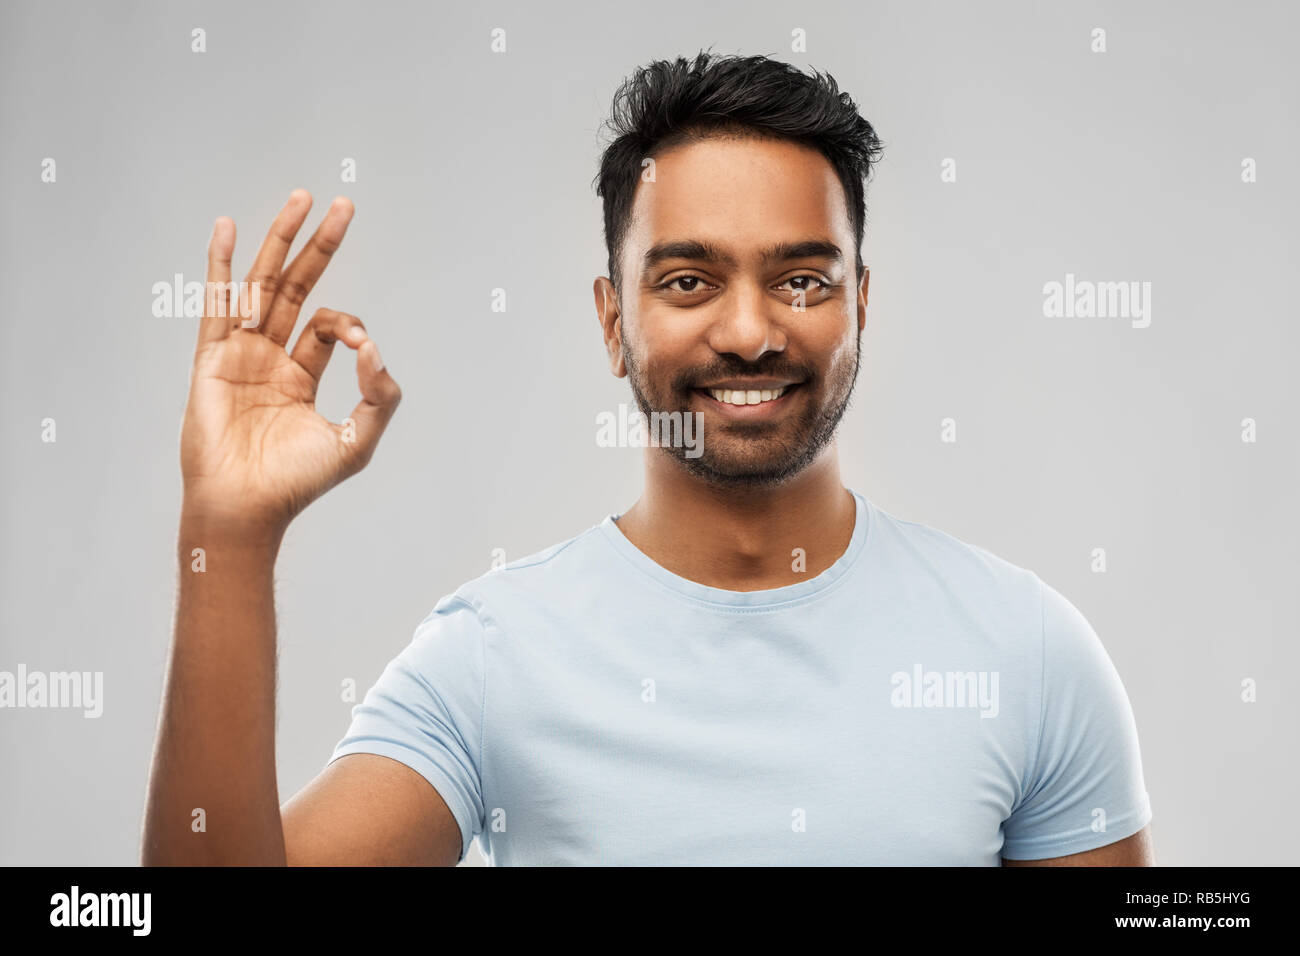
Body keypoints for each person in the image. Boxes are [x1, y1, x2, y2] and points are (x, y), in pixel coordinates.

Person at [143, 52, 1153, 866]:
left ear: (861, 303)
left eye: (802, 278)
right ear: (612, 320)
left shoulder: (1024, 651)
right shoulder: (493, 658)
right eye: (686, 280)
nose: (751, 330)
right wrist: (226, 536)